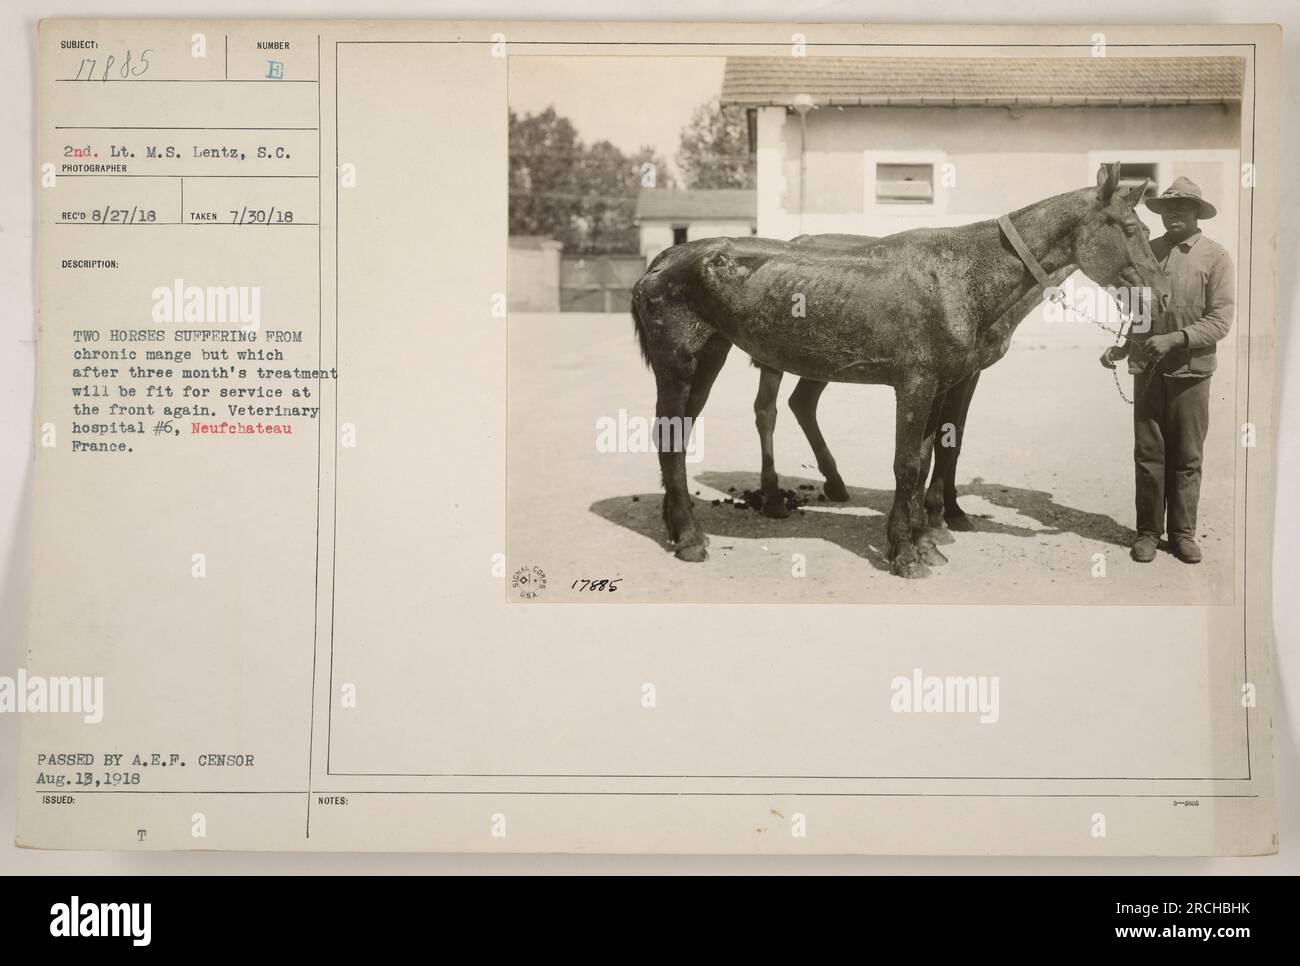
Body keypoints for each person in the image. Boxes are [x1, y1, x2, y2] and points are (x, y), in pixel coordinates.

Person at [1101, 176, 1235, 564]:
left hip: (1191, 373)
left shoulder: (1215, 257)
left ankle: (1182, 535)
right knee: (1148, 454)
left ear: (1197, 214)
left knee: (1187, 457)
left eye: (1183, 208)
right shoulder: (1148, 251)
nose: (1174, 215)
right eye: (1167, 209)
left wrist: (1175, 339)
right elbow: (1140, 312)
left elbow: (1220, 321)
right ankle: (1147, 533)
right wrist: (1123, 346)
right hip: (1147, 371)